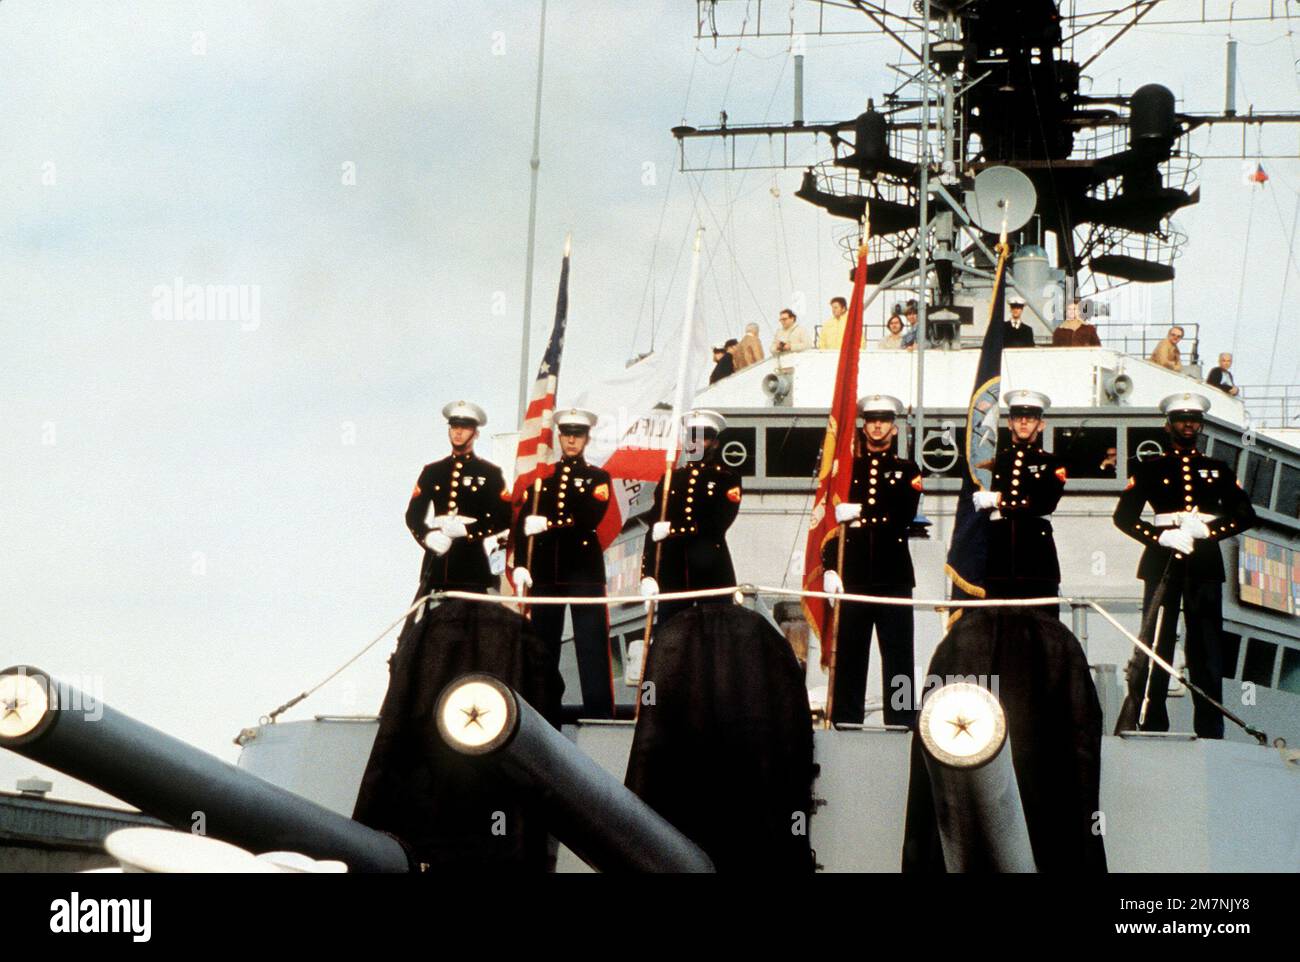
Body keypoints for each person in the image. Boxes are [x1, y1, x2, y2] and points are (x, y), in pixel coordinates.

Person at [1112, 392, 1257, 739]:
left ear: (1201, 425)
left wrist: (1209, 530)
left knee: (1206, 648)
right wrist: (1159, 537)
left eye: (1194, 419)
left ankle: (1210, 726)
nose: (1188, 425)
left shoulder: (1219, 469)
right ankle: (1151, 720)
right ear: (1169, 425)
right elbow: (1124, 517)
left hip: (1204, 564)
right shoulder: (1150, 469)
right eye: (1181, 419)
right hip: (1162, 561)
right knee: (1157, 643)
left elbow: (1244, 515)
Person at [820, 395, 923, 727]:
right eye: (872, 420)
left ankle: (903, 719)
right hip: (855, 575)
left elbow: (903, 514)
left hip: (893, 577)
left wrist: (861, 511)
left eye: (884, 421)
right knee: (850, 656)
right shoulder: (848, 471)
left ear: (894, 428)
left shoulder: (908, 470)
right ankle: (845, 722)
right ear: (864, 426)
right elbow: (828, 524)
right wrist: (830, 566)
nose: (878, 426)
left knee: (899, 657)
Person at [511, 408, 615, 718]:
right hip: (547, 572)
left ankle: (599, 715)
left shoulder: (598, 477)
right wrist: (520, 562)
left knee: (591, 646)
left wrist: (549, 523)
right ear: (559, 437)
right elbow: (523, 520)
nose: (571, 440)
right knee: (542, 648)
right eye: (567, 434)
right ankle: (542, 714)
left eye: (578, 434)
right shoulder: (543, 478)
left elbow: (589, 517)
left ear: (586, 438)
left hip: (583, 571)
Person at [640, 409, 743, 628]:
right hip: (673, 574)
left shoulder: (727, 479)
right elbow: (653, 529)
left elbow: (716, 524)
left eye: (703, 437)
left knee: (716, 640)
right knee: (670, 642)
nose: (696, 443)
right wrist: (648, 575)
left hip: (712, 572)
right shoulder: (670, 479)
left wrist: (672, 530)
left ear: (714, 443)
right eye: (691, 437)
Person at [972, 390, 1066, 611]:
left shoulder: (1052, 463)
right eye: (1018, 417)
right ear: (1009, 422)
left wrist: (999, 499)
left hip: (1037, 562)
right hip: (999, 559)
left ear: (1041, 425)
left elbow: (1044, 503)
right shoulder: (994, 462)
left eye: (1031, 418)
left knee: (1042, 634)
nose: (1024, 422)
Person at [405, 401, 510, 594]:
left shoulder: (489, 473)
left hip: (471, 565)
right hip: (436, 562)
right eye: (454, 426)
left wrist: (468, 530)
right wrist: (427, 536)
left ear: (476, 433)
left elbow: (505, 517)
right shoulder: (432, 471)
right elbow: (413, 515)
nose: (458, 432)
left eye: (465, 427)